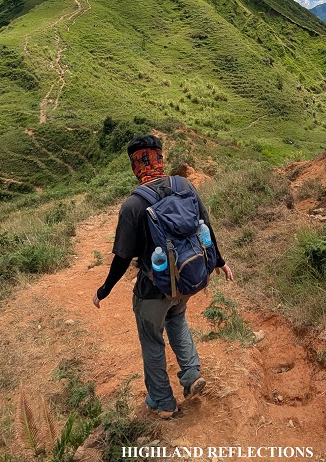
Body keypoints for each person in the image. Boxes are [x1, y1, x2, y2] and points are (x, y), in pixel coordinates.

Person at [92, 134, 233, 419]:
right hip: (186, 278)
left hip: (153, 289)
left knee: (152, 339)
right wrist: (219, 261)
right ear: (160, 158)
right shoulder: (185, 185)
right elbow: (205, 224)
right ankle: (192, 374)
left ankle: (162, 401)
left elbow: (122, 257)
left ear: (135, 165)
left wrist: (104, 289)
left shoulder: (133, 204)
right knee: (177, 318)